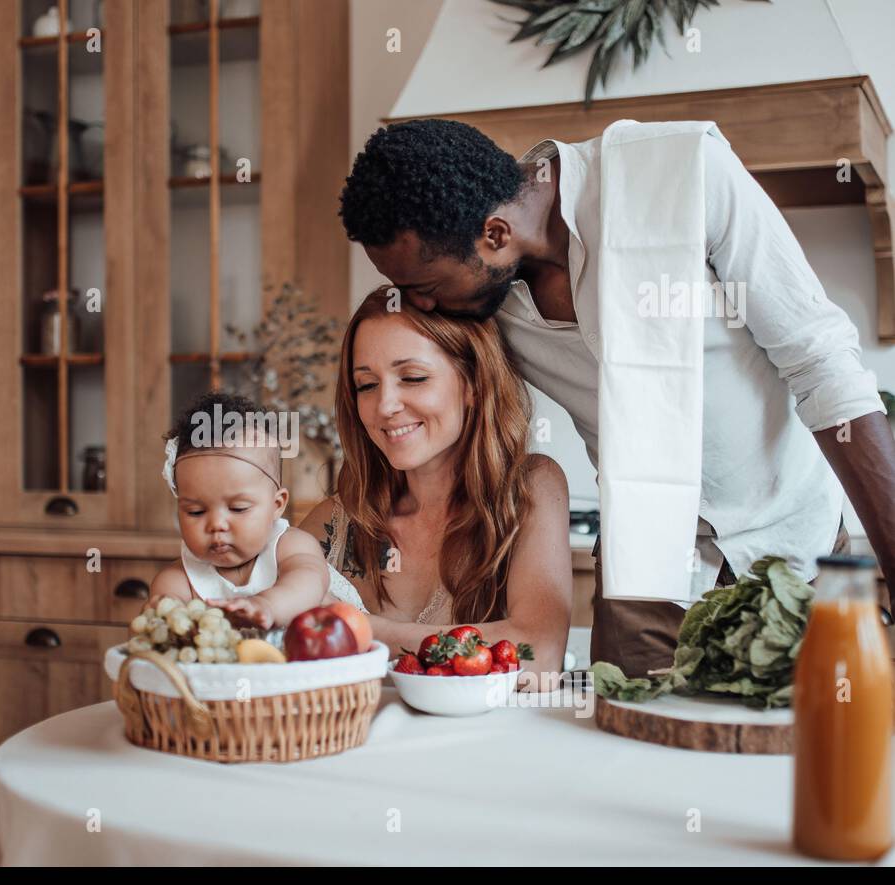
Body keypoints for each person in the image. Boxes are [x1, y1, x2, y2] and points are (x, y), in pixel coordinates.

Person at [338, 118, 895, 677]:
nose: (423, 307)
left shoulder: (682, 173)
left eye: (426, 289)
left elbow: (823, 363)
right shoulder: (484, 301)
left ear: (496, 234)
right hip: (642, 573)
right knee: (632, 751)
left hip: (790, 548)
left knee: (800, 748)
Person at [299, 287, 571, 689]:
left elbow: (539, 656)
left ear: (472, 383)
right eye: (366, 385)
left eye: (413, 377)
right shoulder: (335, 521)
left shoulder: (532, 488)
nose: (385, 405)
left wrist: (366, 630)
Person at [148, 391, 366, 631]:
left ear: (276, 505)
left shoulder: (291, 547)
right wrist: (160, 619)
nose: (217, 524)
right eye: (196, 512)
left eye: (238, 508)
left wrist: (267, 606)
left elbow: (308, 582)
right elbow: (154, 634)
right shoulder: (178, 580)